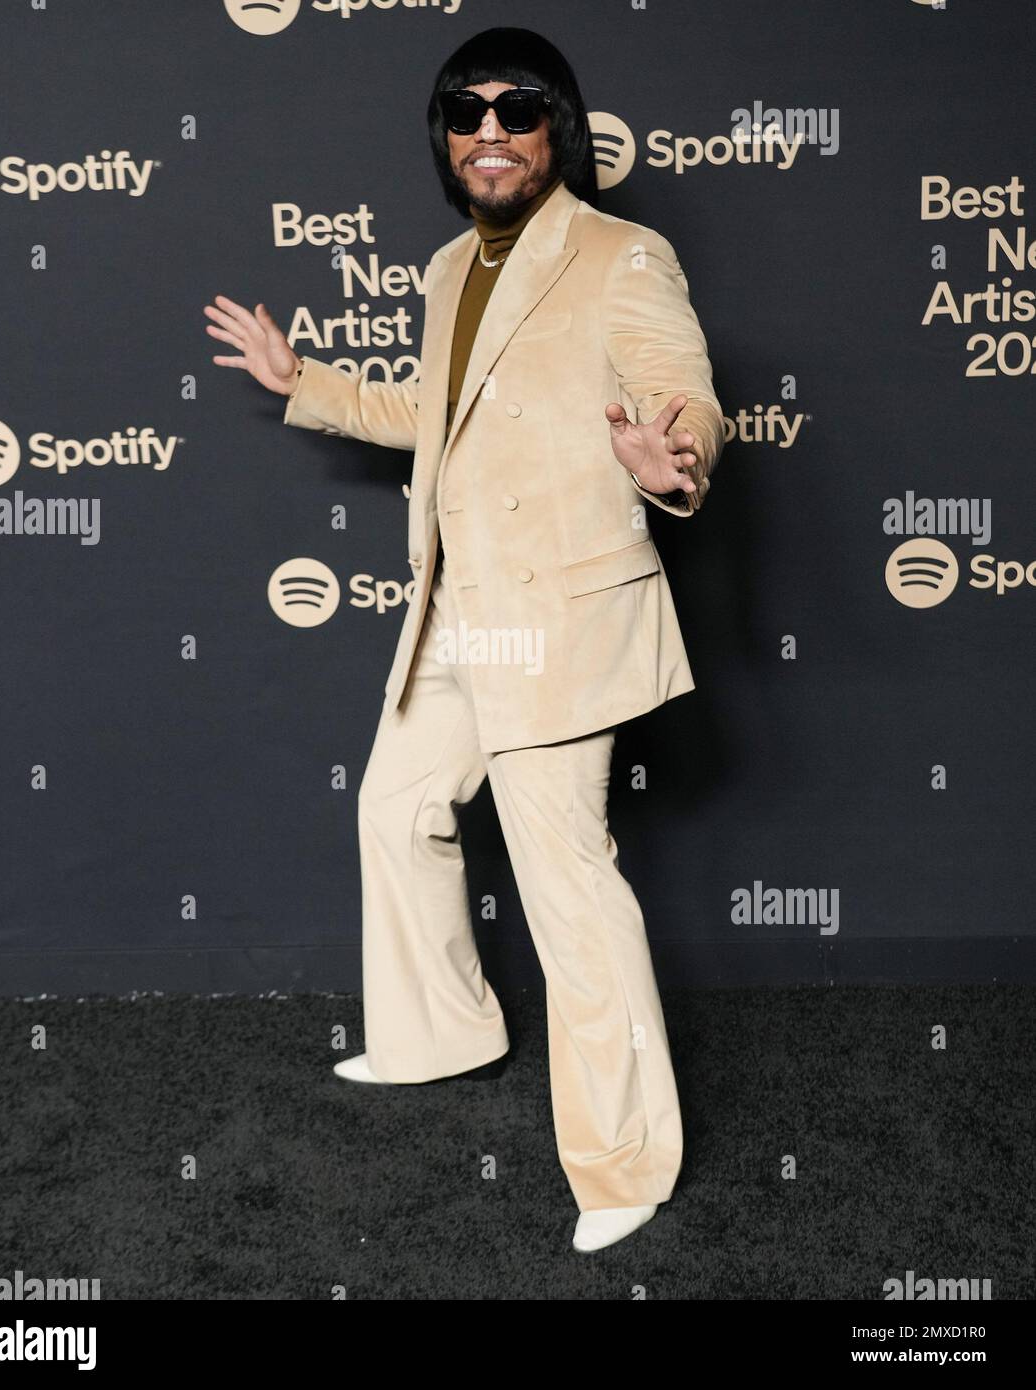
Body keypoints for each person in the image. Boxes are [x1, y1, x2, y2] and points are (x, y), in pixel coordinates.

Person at [203, 25, 723, 1254]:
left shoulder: (620, 253)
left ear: (559, 128)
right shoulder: (447, 269)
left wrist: (674, 454)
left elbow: (683, 386)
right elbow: (431, 414)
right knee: (395, 804)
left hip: (559, 616)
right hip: (457, 607)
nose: (490, 127)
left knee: (568, 891)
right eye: (465, 110)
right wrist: (302, 381)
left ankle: (624, 1160)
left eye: (518, 106)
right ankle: (447, 1029)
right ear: (445, 138)